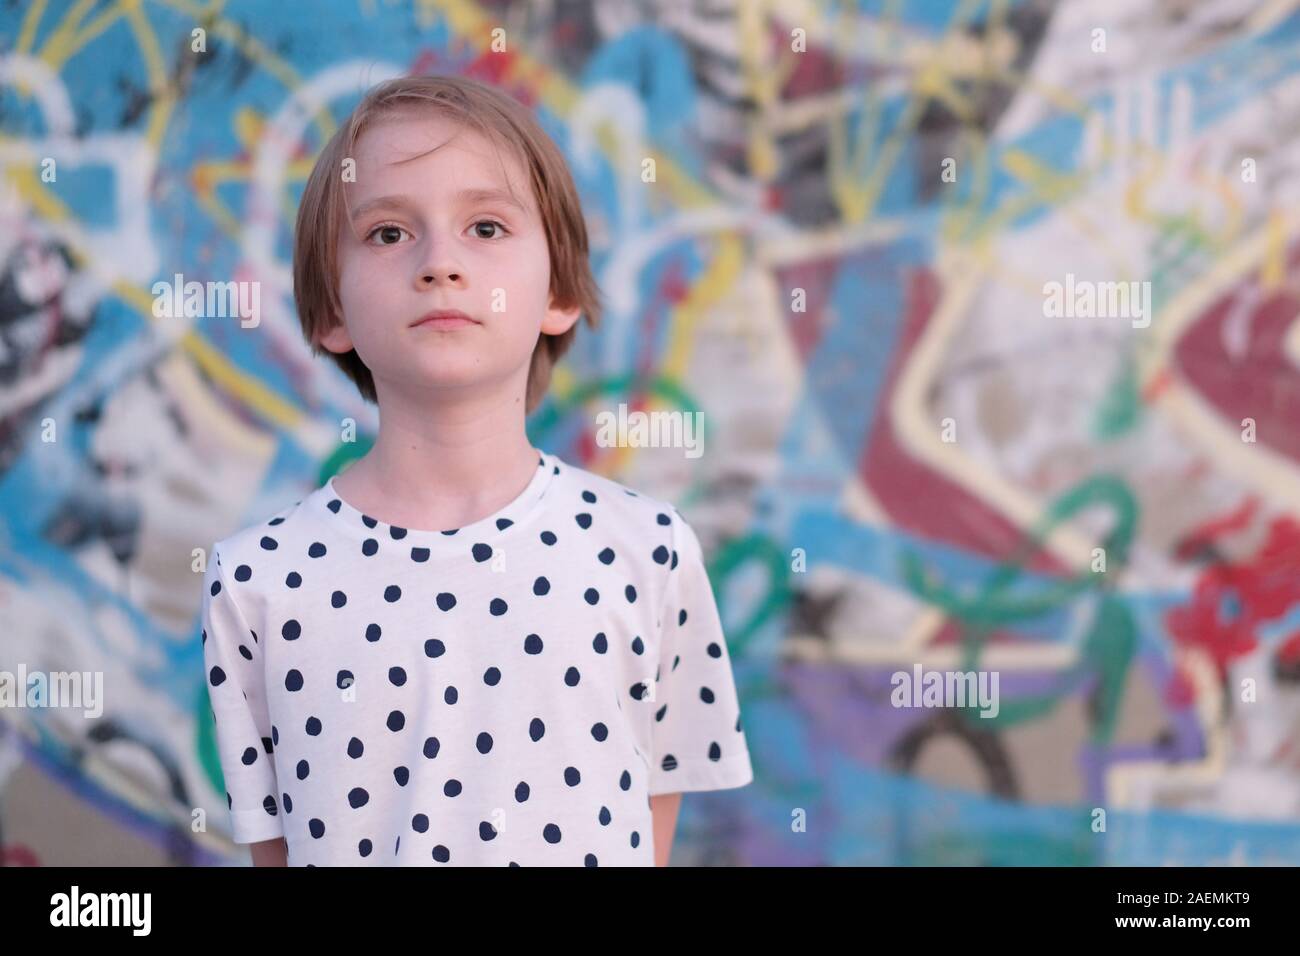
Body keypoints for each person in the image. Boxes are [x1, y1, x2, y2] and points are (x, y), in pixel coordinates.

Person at [199, 74, 752, 867]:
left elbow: (650, 826)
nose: (440, 263)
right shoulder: (258, 582)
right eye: (389, 234)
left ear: (558, 290)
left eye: (486, 226)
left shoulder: (649, 552)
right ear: (332, 311)